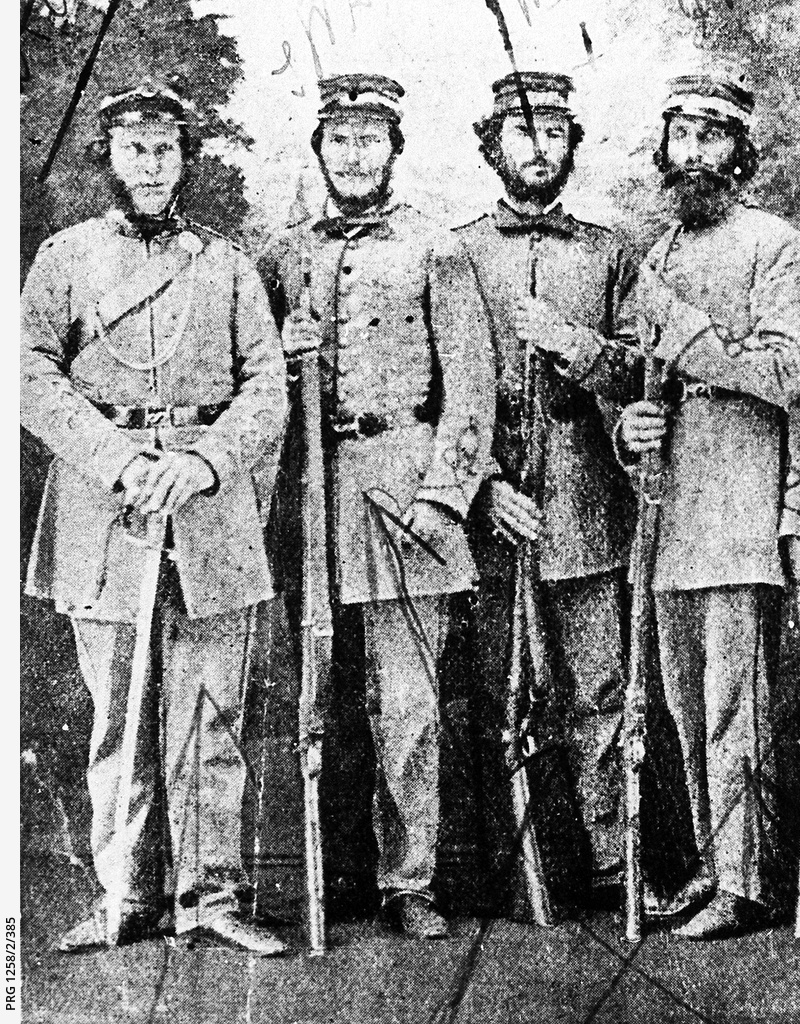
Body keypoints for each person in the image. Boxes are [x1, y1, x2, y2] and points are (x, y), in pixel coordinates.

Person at [21, 80, 289, 954]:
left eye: (166, 148)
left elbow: (268, 388)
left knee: (212, 716)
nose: (150, 163)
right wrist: (122, 459)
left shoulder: (227, 263)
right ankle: (124, 896)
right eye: (133, 147)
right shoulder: (65, 258)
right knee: (118, 720)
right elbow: (25, 373)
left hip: (208, 513)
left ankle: (211, 899)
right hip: (105, 513)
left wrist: (203, 462)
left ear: (185, 160)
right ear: (107, 156)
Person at [259, 74, 494, 939]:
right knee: (314, 694)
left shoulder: (437, 248)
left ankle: (412, 881)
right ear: (319, 150)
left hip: (406, 495)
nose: (354, 157)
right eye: (339, 141)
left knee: (411, 704)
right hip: (313, 497)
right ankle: (323, 876)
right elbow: (252, 385)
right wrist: (287, 359)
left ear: (395, 149)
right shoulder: (283, 256)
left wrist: (444, 496)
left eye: (370, 140)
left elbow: (473, 389)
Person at [618, 56, 800, 939]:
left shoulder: (778, 245)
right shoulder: (656, 251)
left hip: (740, 501)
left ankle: (748, 879)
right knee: (682, 703)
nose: (694, 153)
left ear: (740, 151)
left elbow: (783, 374)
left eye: (713, 136)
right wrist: (632, 428)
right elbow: (643, 383)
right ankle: (710, 860)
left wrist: (691, 339)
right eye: (682, 135)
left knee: (737, 700)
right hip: (668, 510)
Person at [452, 71, 641, 911]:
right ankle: (512, 868)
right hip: (494, 515)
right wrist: (487, 486)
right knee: (498, 691)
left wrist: (576, 344)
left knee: (598, 691)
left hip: (588, 506)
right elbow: (436, 393)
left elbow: (645, 369)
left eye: (555, 133)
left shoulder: (610, 254)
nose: (539, 149)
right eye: (522, 134)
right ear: (493, 147)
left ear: (572, 146)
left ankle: (611, 860)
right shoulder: (456, 252)